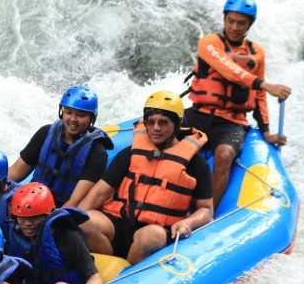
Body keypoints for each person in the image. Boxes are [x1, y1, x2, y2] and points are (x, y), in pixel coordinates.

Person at [79, 91, 214, 265]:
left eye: (163, 122)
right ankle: (113, 268)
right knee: (86, 221)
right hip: (119, 223)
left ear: (177, 124)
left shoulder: (195, 162)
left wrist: (189, 222)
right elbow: (99, 193)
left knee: (151, 236)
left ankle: (125, 277)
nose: (156, 128)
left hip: (155, 230)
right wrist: (73, 221)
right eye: (151, 122)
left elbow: (206, 210)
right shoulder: (130, 153)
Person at [183, 0, 292, 207]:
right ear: (224, 20)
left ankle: (207, 212)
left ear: (249, 25)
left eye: (241, 23)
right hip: (199, 114)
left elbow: (258, 96)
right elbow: (230, 71)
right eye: (230, 21)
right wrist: (266, 85)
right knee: (172, 148)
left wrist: (266, 131)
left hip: (231, 121)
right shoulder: (209, 43)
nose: (234, 27)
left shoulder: (257, 53)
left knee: (224, 155)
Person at [5, 181, 103, 284]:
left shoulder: (68, 236)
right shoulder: (16, 235)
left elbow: (95, 277)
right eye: (22, 218)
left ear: (48, 215)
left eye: (34, 218)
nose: (27, 224)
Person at [8, 85, 113, 207]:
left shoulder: (97, 152)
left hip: (63, 209)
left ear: (91, 118)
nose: (73, 119)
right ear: (62, 112)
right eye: (68, 112)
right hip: (31, 201)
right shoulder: (45, 133)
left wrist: (50, 219)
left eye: (81, 115)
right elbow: (15, 173)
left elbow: (75, 201)